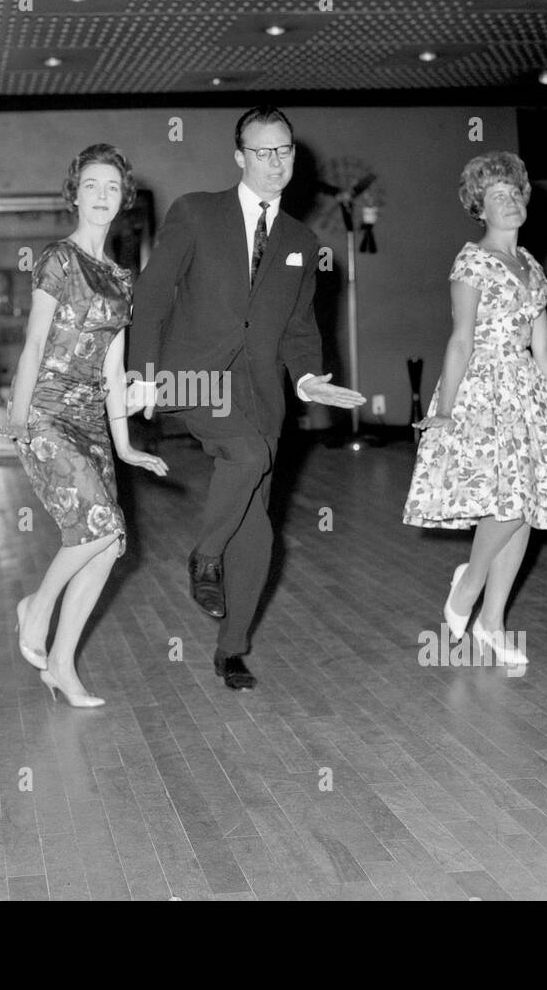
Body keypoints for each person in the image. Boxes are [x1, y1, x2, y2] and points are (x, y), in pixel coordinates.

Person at [128, 106, 365, 689]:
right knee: (247, 456)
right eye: (262, 151)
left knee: (258, 527)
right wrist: (142, 373)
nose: (275, 161)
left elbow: (301, 328)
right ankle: (205, 556)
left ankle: (231, 648)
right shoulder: (196, 212)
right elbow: (154, 296)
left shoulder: (301, 240)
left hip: (259, 391)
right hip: (192, 377)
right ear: (239, 157)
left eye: (283, 150)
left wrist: (309, 378)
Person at [403, 152, 547, 667]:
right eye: (496, 198)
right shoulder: (471, 262)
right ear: (480, 210)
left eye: (514, 194)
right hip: (481, 389)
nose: (509, 203)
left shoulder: (530, 266)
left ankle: (492, 621)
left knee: (526, 505)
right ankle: (466, 586)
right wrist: (445, 411)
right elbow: (461, 340)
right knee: (506, 503)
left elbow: (545, 348)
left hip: (525, 390)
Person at [0, 144, 168, 707]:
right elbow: (33, 346)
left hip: (91, 420)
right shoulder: (58, 260)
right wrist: (20, 420)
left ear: (124, 199)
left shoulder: (121, 278)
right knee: (97, 525)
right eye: (91, 185)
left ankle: (63, 669)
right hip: (46, 412)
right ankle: (36, 608)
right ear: (74, 193)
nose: (102, 196)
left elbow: (115, 368)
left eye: (112, 187)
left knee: (110, 543)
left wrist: (125, 444)